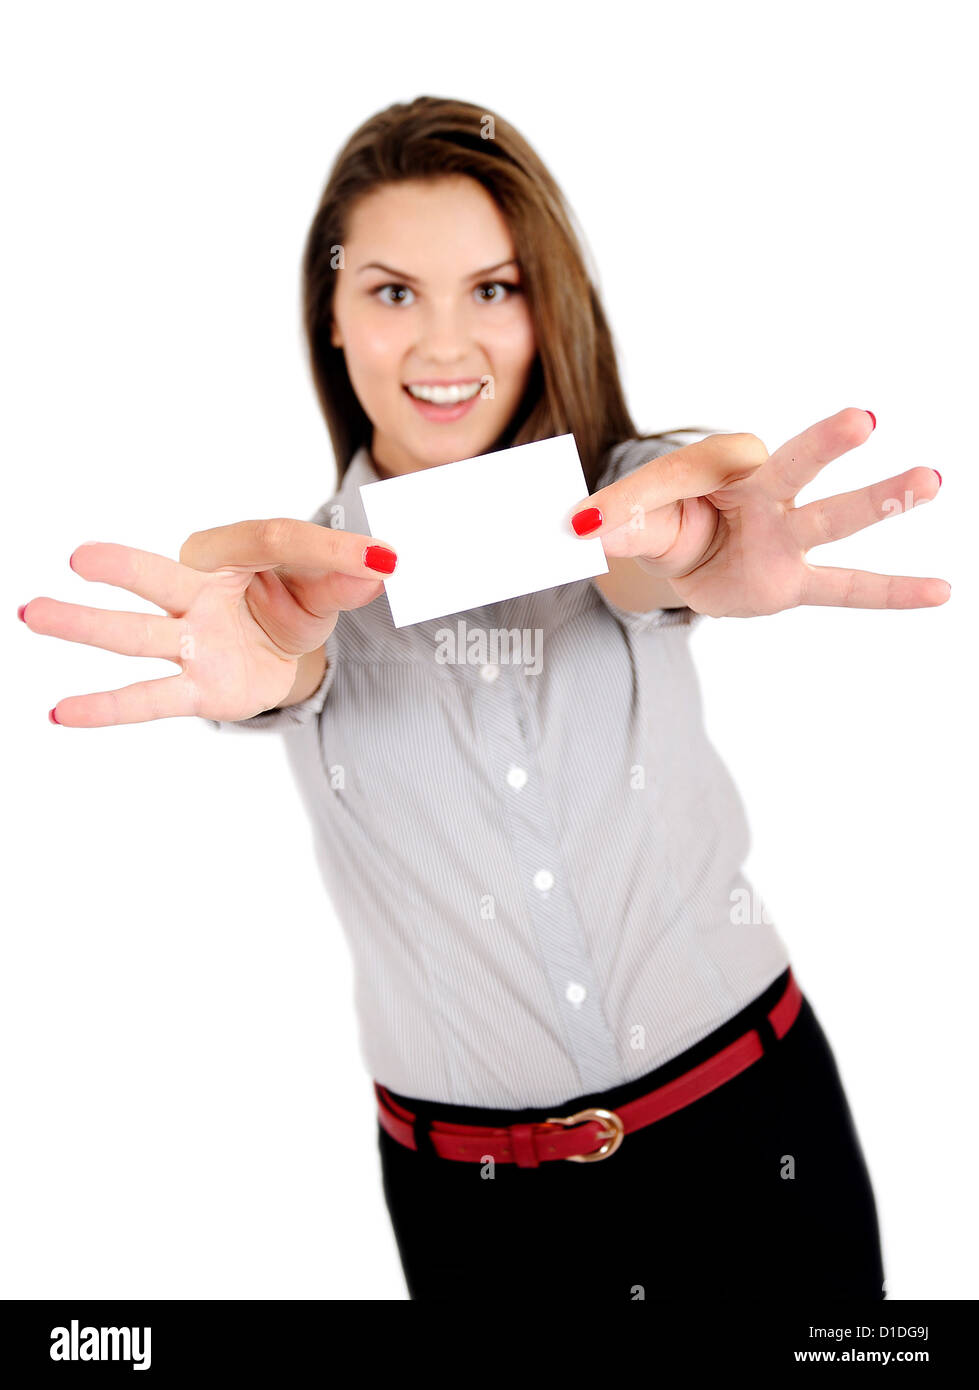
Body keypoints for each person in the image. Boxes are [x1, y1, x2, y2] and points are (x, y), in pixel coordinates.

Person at [21, 96, 948, 1302]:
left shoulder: (624, 493)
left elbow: (651, 536)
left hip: (752, 1132)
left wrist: (696, 546)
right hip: (480, 1214)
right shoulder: (289, 582)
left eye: (494, 289)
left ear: (544, 305)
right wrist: (268, 655)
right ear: (334, 321)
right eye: (393, 292)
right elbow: (285, 666)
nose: (443, 346)